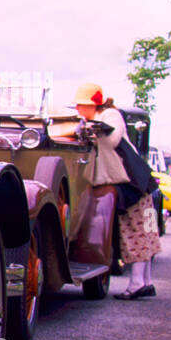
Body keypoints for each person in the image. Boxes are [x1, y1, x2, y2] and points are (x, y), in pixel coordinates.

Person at [71, 83, 161, 299]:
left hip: (132, 182)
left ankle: (137, 284)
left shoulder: (111, 115)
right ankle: (145, 282)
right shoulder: (94, 119)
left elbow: (111, 140)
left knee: (137, 232)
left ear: (92, 104)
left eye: (81, 105)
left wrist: (89, 127)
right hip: (136, 183)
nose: (77, 109)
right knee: (144, 232)